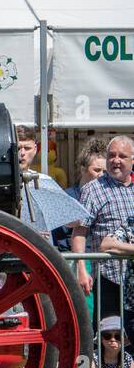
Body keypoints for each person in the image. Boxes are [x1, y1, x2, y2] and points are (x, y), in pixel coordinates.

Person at [71, 136, 134, 336]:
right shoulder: (93, 189)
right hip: (109, 277)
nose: (116, 160)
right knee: (109, 337)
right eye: (111, 155)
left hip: (132, 279)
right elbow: (80, 231)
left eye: (122, 156)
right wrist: (81, 268)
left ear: (132, 160)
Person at [57, 144, 106, 249]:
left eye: (105, 171)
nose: (102, 175)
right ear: (83, 169)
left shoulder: (109, 197)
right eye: (97, 170)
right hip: (72, 258)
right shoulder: (65, 198)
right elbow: (58, 238)